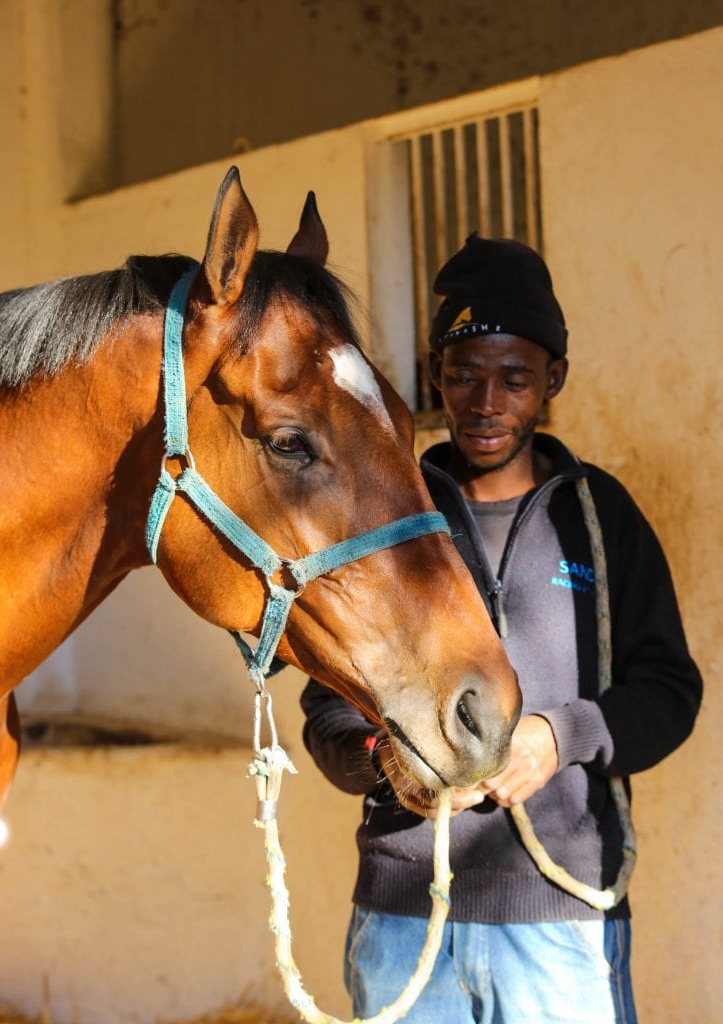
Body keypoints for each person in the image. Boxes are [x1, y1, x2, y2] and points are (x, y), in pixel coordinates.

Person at [299, 234, 703, 1024]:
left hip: (562, 917)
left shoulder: (599, 518)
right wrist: (381, 758)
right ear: (435, 378)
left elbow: (668, 692)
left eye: (515, 379)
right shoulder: (385, 516)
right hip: (405, 917)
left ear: (554, 378)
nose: (486, 403)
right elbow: (328, 700)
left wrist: (563, 735)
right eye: (463, 376)